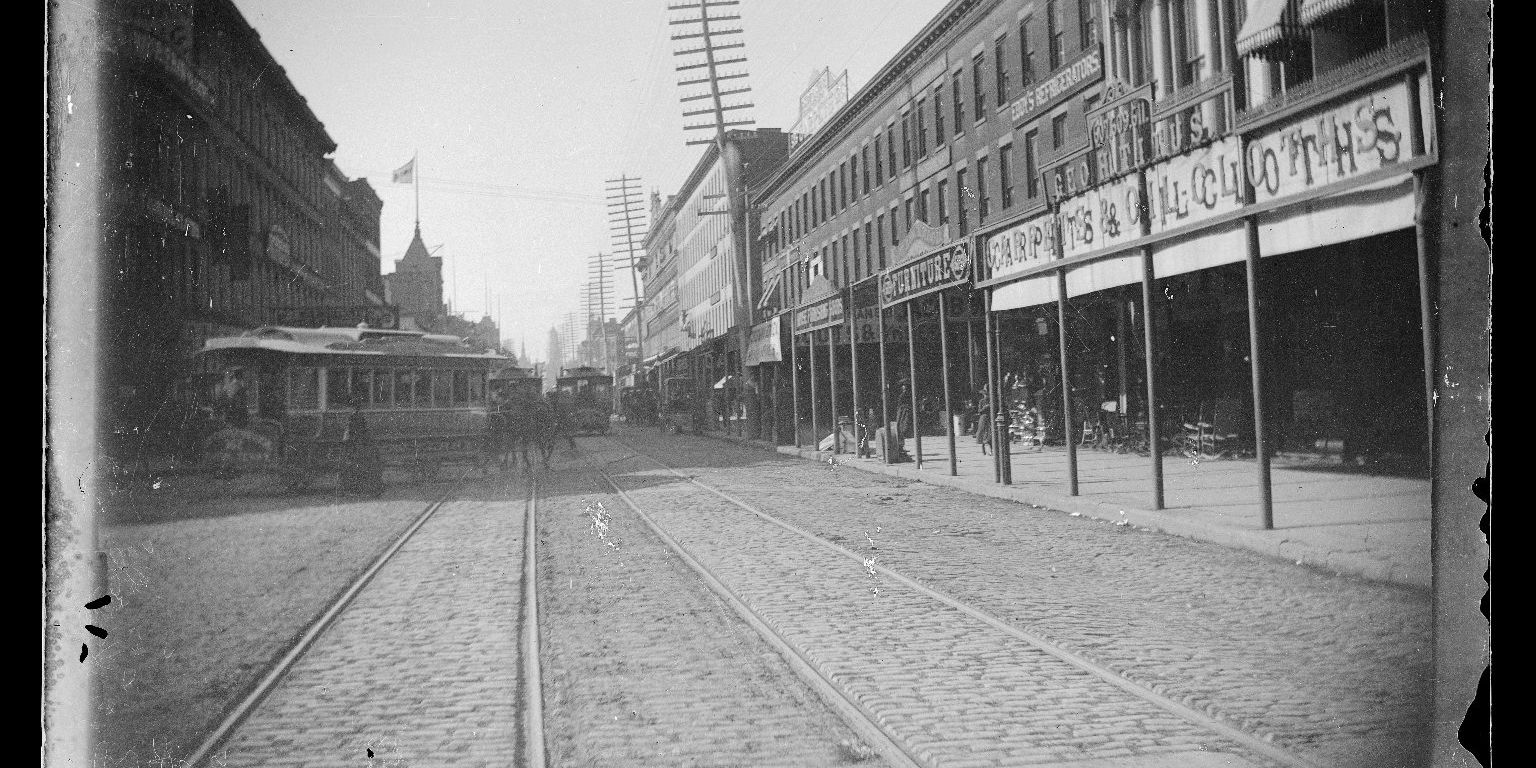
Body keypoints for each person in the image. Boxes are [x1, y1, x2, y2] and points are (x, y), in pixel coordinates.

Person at [339, 405, 384, 496]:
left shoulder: (353, 418)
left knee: (355, 466)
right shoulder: (359, 417)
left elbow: (349, 433)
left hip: (356, 445)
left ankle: (355, 489)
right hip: (359, 444)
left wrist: (347, 440)